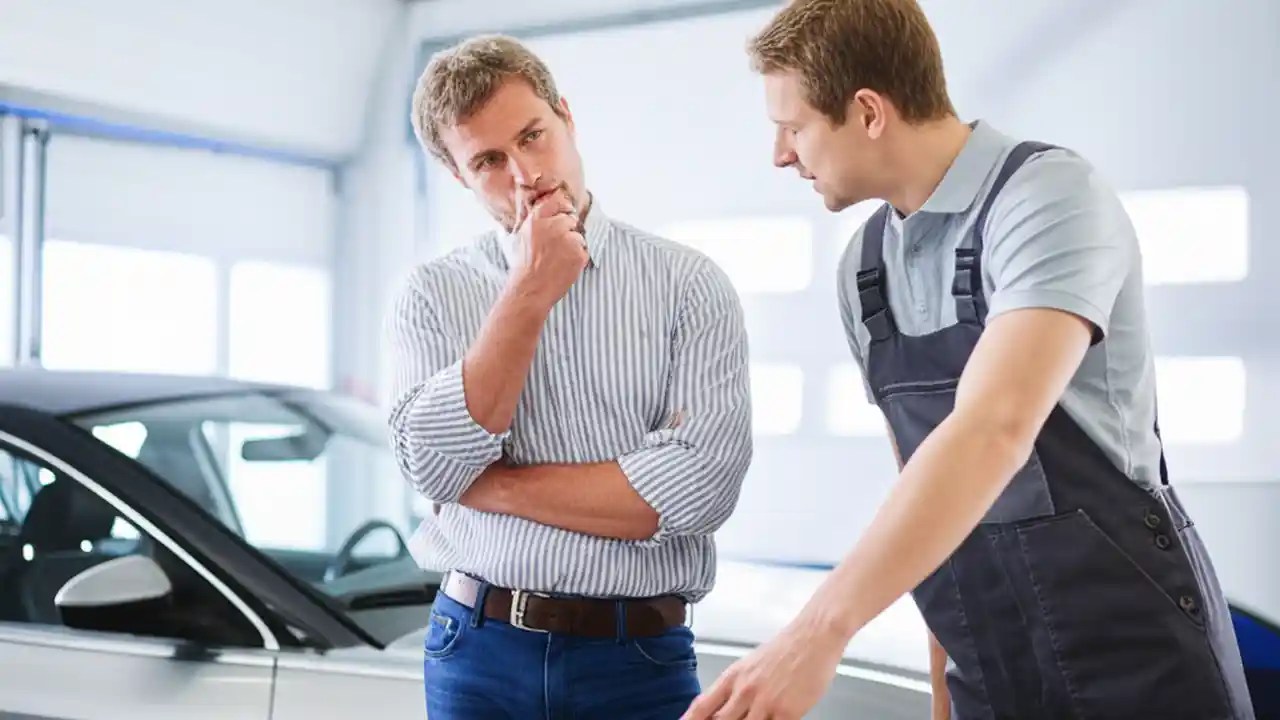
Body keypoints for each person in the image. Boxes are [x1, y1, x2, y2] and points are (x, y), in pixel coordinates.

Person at [683, 1, 1254, 719]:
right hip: (991, 669)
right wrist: (944, 699)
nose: (781, 155)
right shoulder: (864, 268)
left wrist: (816, 632)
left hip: (1132, 662)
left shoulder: (1047, 198)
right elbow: (925, 492)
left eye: (792, 127)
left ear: (867, 111)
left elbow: (993, 430)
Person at [387, 34, 753, 720]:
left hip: (637, 657)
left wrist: (490, 485)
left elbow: (700, 489)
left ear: (567, 118)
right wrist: (528, 292)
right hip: (477, 650)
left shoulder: (688, 285)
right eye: (489, 160)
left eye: (533, 136)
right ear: (459, 176)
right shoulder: (432, 296)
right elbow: (432, 469)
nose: (526, 174)